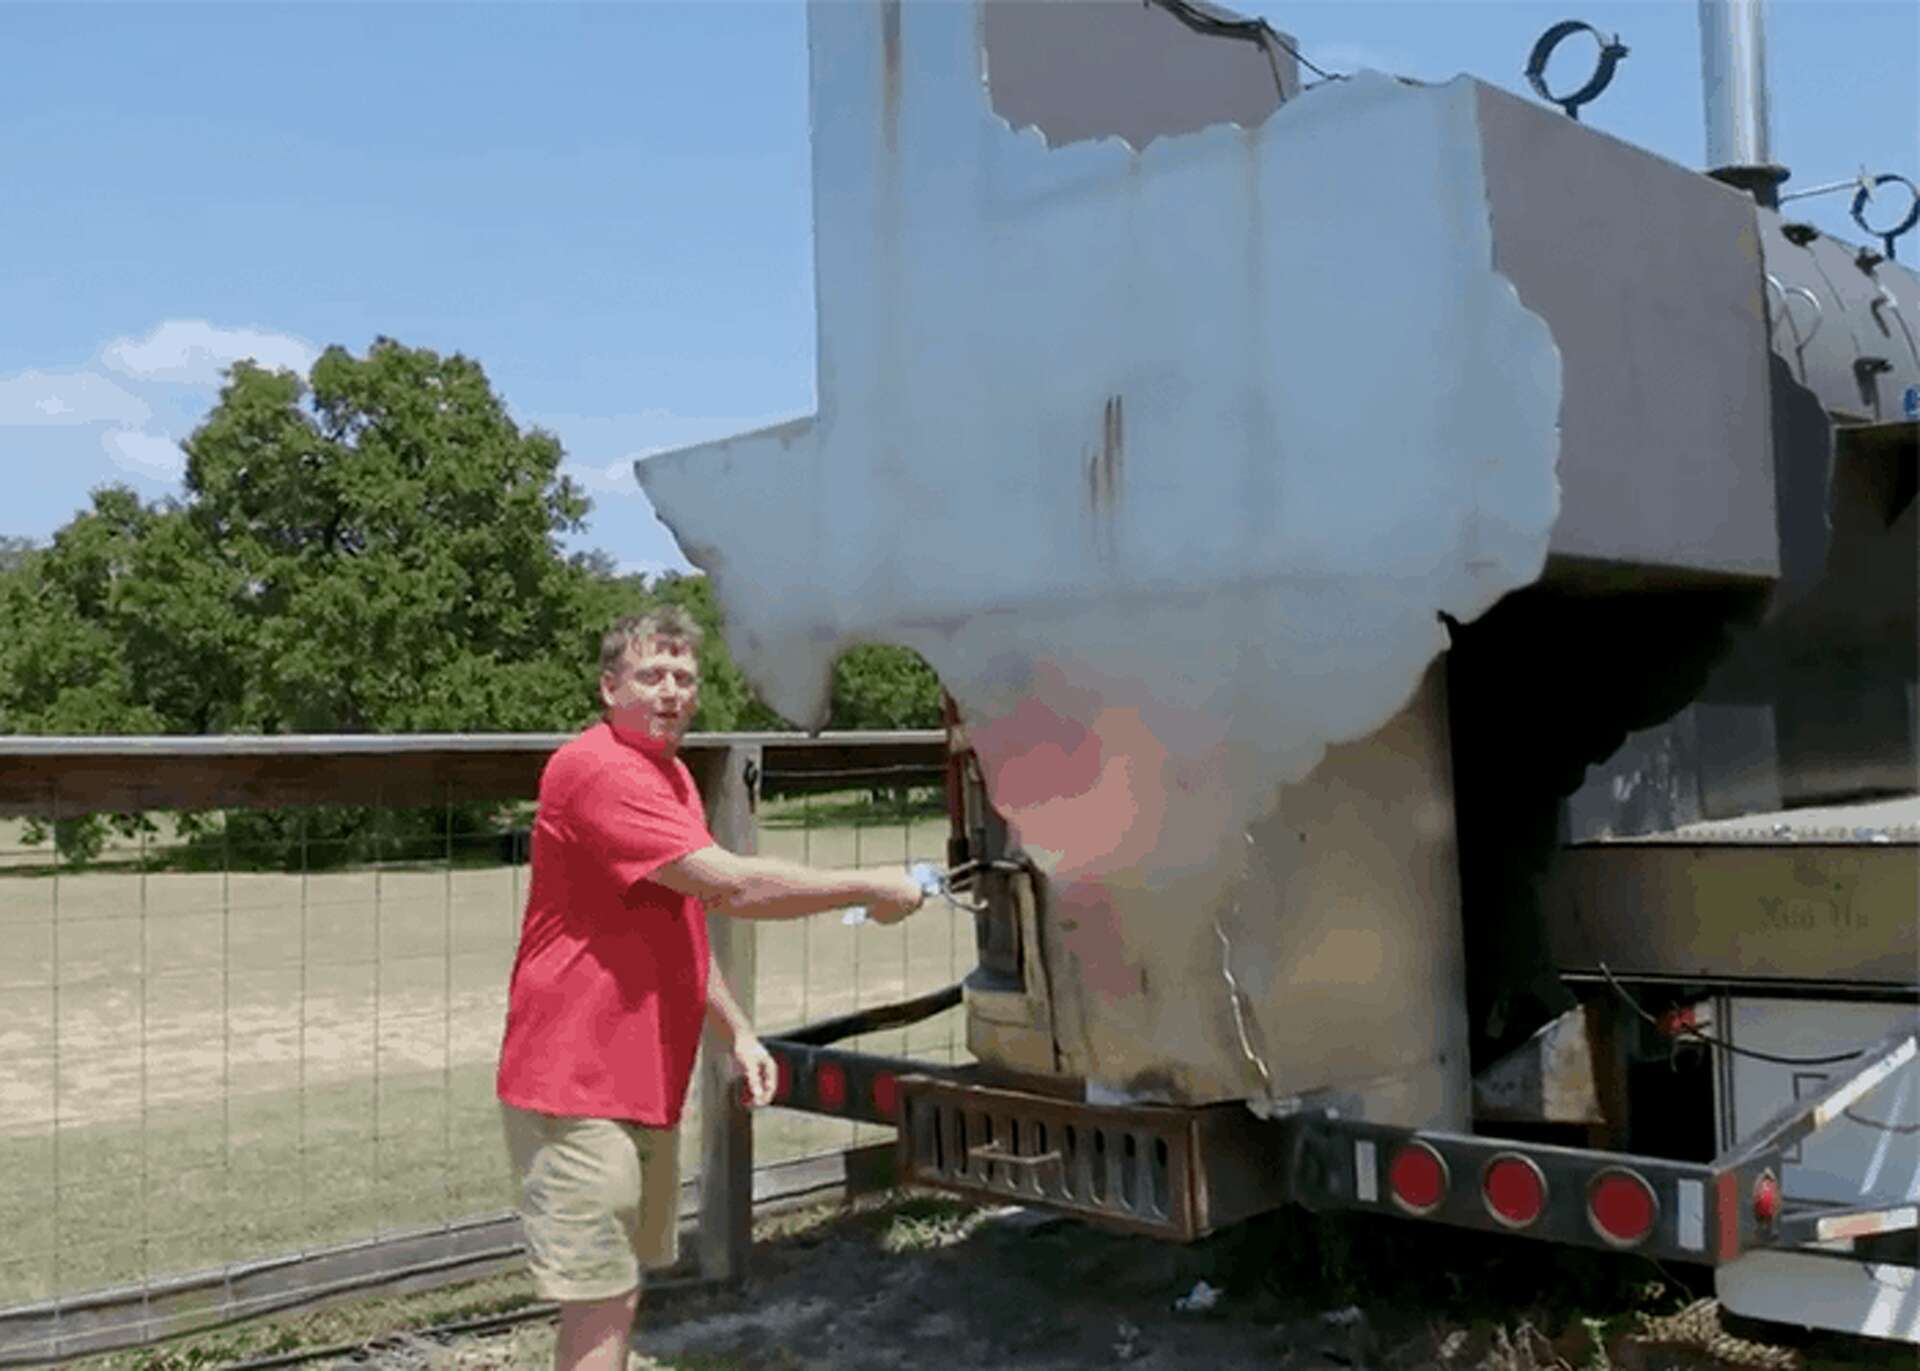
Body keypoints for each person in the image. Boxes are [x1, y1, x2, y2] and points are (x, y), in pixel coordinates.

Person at [495, 607, 927, 1371]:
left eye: (684, 677)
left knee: (619, 1289)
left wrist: (739, 1032)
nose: (670, 691)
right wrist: (870, 883)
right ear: (609, 687)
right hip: (573, 1082)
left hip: (639, 1080)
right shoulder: (595, 769)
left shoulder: (669, 778)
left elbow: (683, 925)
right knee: (599, 1297)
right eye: (650, 675)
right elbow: (729, 886)